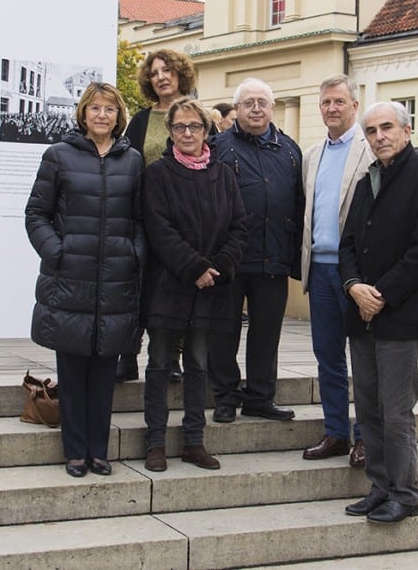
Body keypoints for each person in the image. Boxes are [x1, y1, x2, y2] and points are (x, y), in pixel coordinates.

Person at [338, 101, 418, 523]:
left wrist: (380, 293)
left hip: (401, 314)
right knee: (368, 406)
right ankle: (379, 486)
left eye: (387, 127)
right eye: (371, 131)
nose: (379, 136)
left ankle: (405, 494)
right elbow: (347, 242)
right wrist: (353, 287)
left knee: (396, 409)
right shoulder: (368, 179)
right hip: (362, 311)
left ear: (407, 131)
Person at [25, 82, 145, 479]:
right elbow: (36, 214)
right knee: (73, 373)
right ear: (83, 113)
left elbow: (141, 220)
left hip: (115, 283)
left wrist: (134, 253)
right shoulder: (58, 156)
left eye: (109, 109)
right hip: (69, 281)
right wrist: (57, 252)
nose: (101, 115)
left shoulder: (133, 161)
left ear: (119, 116)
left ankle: (99, 451)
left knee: (104, 376)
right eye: (94, 108)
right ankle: (74, 452)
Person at [140, 97, 248, 472]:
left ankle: (193, 440)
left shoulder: (223, 174)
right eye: (179, 127)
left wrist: (217, 267)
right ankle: (155, 441)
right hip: (169, 285)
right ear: (170, 132)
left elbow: (238, 226)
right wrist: (195, 267)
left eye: (195, 126)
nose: (187, 133)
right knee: (158, 363)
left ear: (207, 130)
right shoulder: (158, 173)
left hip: (210, 288)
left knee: (199, 364)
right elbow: (159, 229)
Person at [208, 78, 303, 423]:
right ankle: (224, 396)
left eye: (262, 102)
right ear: (237, 109)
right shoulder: (216, 147)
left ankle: (260, 397)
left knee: (266, 333)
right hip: (228, 259)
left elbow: (298, 203)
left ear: (272, 107)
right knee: (223, 331)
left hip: (273, 256)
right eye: (248, 103)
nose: (256, 109)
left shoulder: (290, 150)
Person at [299, 74, 374, 467]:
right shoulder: (313, 154)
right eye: (326, 102)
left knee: (361, 356)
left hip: (355, 274)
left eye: (339, 102)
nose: (332, 108)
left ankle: (365, 437)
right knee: (327, 356)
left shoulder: (369, 152)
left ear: (354, 106)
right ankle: (335, 432)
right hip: (320, 269)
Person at [118, 48, 197, 383]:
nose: (162, 77)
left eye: (167, 70)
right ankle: (127, 354)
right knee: (136, 288)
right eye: (155, 73)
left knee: (178, 290)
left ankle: (171, 359)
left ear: (180, 73)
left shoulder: (197, 116)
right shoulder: (140, 120)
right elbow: (128, 166)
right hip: (145, 217)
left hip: (186, 221)